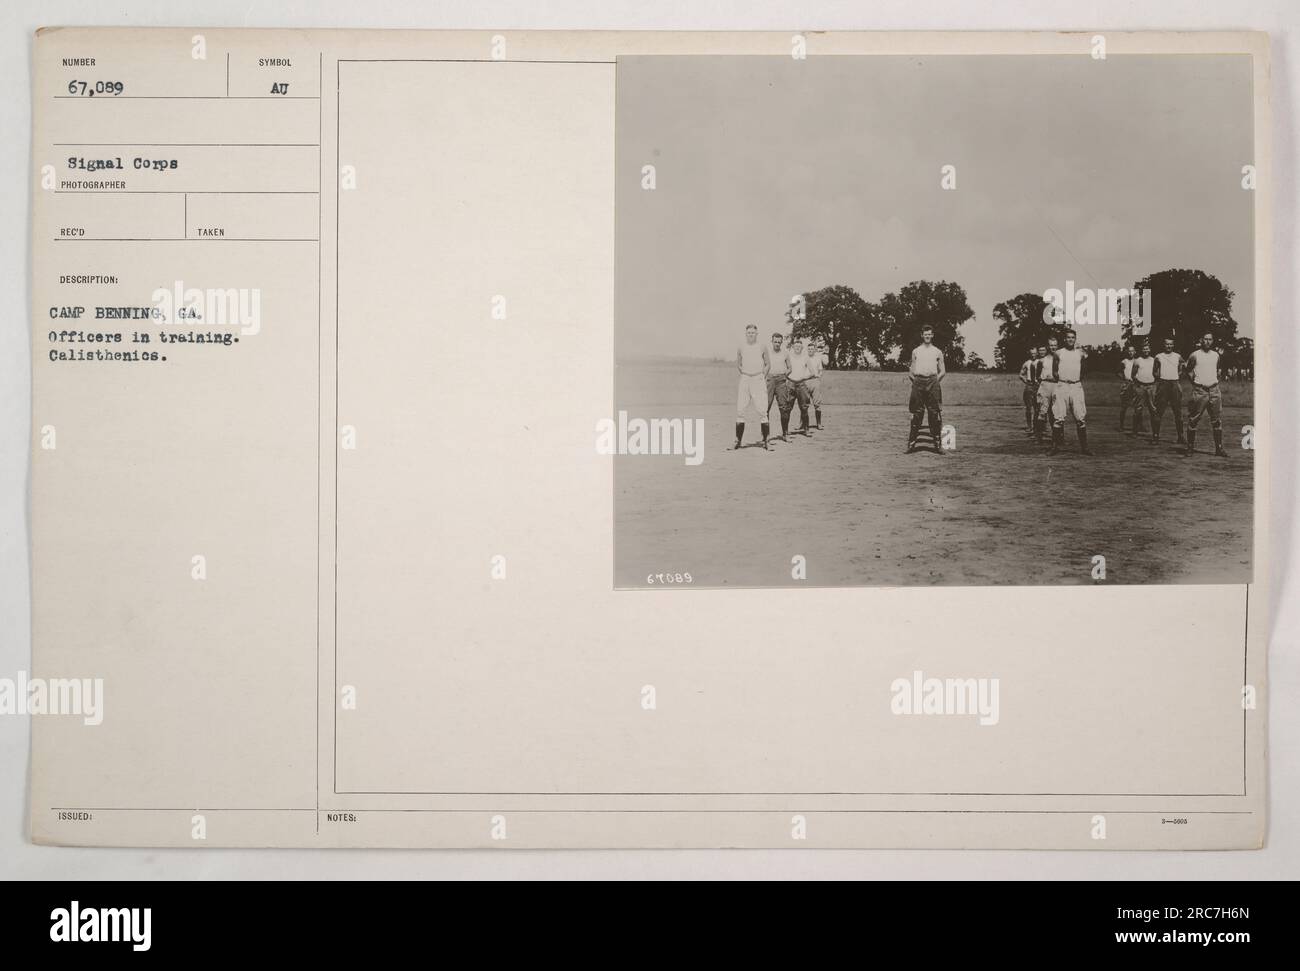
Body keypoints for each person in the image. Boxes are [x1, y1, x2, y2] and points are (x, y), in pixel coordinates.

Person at [1185, 332, 1228, 458]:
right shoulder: (1195, 355)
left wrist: (1215, 380)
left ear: (1212, 341)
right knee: (1193, 420)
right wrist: (1194, 382)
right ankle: (1190, 448)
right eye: (1205, 339)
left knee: (1216, 420)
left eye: (1210, 339)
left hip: (1214, 391)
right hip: (1200, 391)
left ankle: (1219, 449)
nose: (1208, 342)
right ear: (1201, 340)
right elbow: (1188, 370)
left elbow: (1218, 369)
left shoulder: (1216, 355)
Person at [1049, 329, 1091, 455]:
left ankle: (1085, 448)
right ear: (1064, 339)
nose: (1070, 339)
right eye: (1068, 337)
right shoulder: (1058, 353)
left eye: (1073, 337)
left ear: (1075, 339)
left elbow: (1084, 370)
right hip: (1062, 386)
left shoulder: (1080, 353)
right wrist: (1063, 381)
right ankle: (1055, 447)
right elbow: (1055, 372)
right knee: (1058, 418)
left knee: (1080, 418)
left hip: (1076, 386)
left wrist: (1075, 380)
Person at [907, 325, 945, 452]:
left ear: (932, 335)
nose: (927, 336)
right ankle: (911, 444)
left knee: (934, 413)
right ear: (922, 335)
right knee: (916, 413)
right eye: (925, 334)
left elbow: (943, 371)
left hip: (933, 381)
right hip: (918, 381)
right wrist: (918, 382)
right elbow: (911, 372)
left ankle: (937, 444)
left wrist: (934, 382)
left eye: (929, 334)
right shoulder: (916, 351)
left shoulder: (937, 351)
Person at [734, 323, 770, 449]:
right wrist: (745, 374)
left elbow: (767, 364)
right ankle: (738, 441)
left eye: (753, 333)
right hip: (745, 378)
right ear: (746, 334)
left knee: (762, 410)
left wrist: (761, 376)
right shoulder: (741, 347)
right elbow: (739, 364)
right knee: (740, 410)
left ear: (756, 334)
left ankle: (766, 441)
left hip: (758, 378)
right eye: (749, 333)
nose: (751, 335)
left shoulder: (762, 346)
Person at [1152, 337, 1186, 445]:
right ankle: (1155, 436)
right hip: (1163, 385)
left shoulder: (1178, 356)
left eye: (1171, 344)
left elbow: (1182, 368)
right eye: (1167, 344)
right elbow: (1154, 372)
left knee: (1178, 412)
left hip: (1174, 384)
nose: (1169, 346)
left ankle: (1180, 436)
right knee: (1159, 411)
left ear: (1173, 345)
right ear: (1164, 345)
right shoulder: (1158, 356)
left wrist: (1176, 376)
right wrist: (1162, 379)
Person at [785, 336, 815, 436]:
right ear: (793, 347)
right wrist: (787, 377)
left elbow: (812, 372)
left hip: (801, 384)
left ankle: (806, 429)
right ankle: (785, 431)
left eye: (799, 347)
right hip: (790, 383)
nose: (797, 348)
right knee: (787, 407)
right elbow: (784, 369)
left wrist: (803, 377)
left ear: (802, 348)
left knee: (804, 407)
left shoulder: (805, 357)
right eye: (796, 346)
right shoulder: (788, 356)